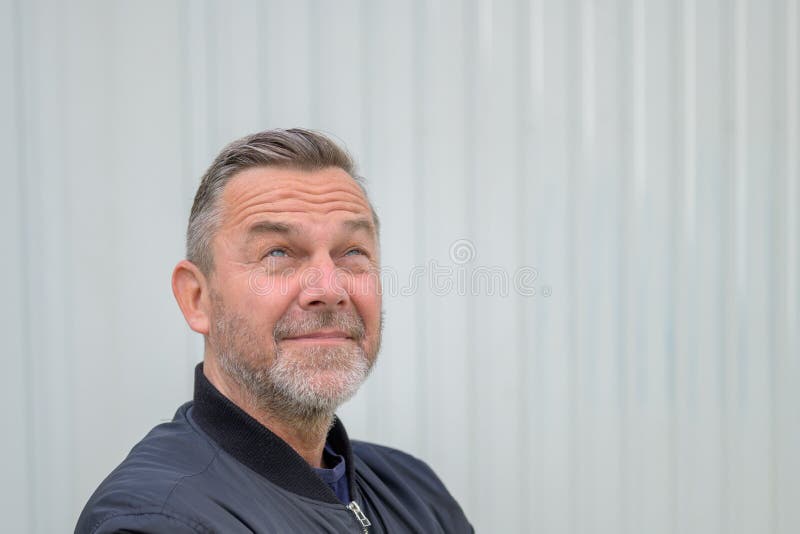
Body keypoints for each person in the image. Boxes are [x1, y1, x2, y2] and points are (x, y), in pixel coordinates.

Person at [75, 129, 473, 533]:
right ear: (197, 298)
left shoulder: (415, 493)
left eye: (353, 252)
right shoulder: (158, 519)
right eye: (278, 253)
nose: (329, 289)